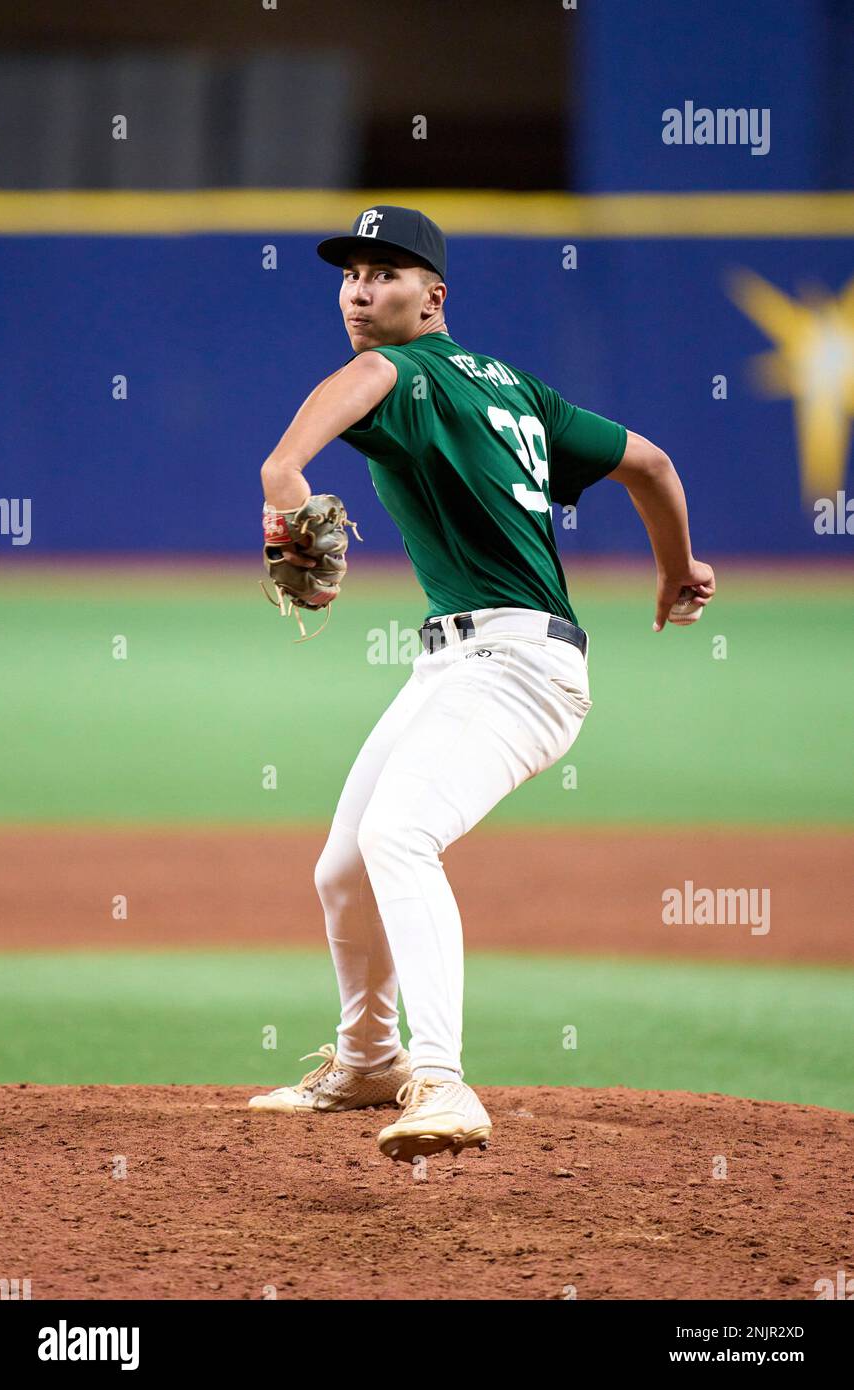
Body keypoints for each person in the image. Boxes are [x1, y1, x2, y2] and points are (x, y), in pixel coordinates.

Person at [248, 206, 715, 1163]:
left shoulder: (396, 369)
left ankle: (444, 1081)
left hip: (519, 668)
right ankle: (369, 1061)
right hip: (461, 661)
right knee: (342, 870)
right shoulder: (518, 388)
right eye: (351, 275)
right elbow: (653, 463)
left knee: (397, 836)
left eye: (386, 273)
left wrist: (287, 494)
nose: (360, 290)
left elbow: (283, 461)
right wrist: (679, 566)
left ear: (434, 297)